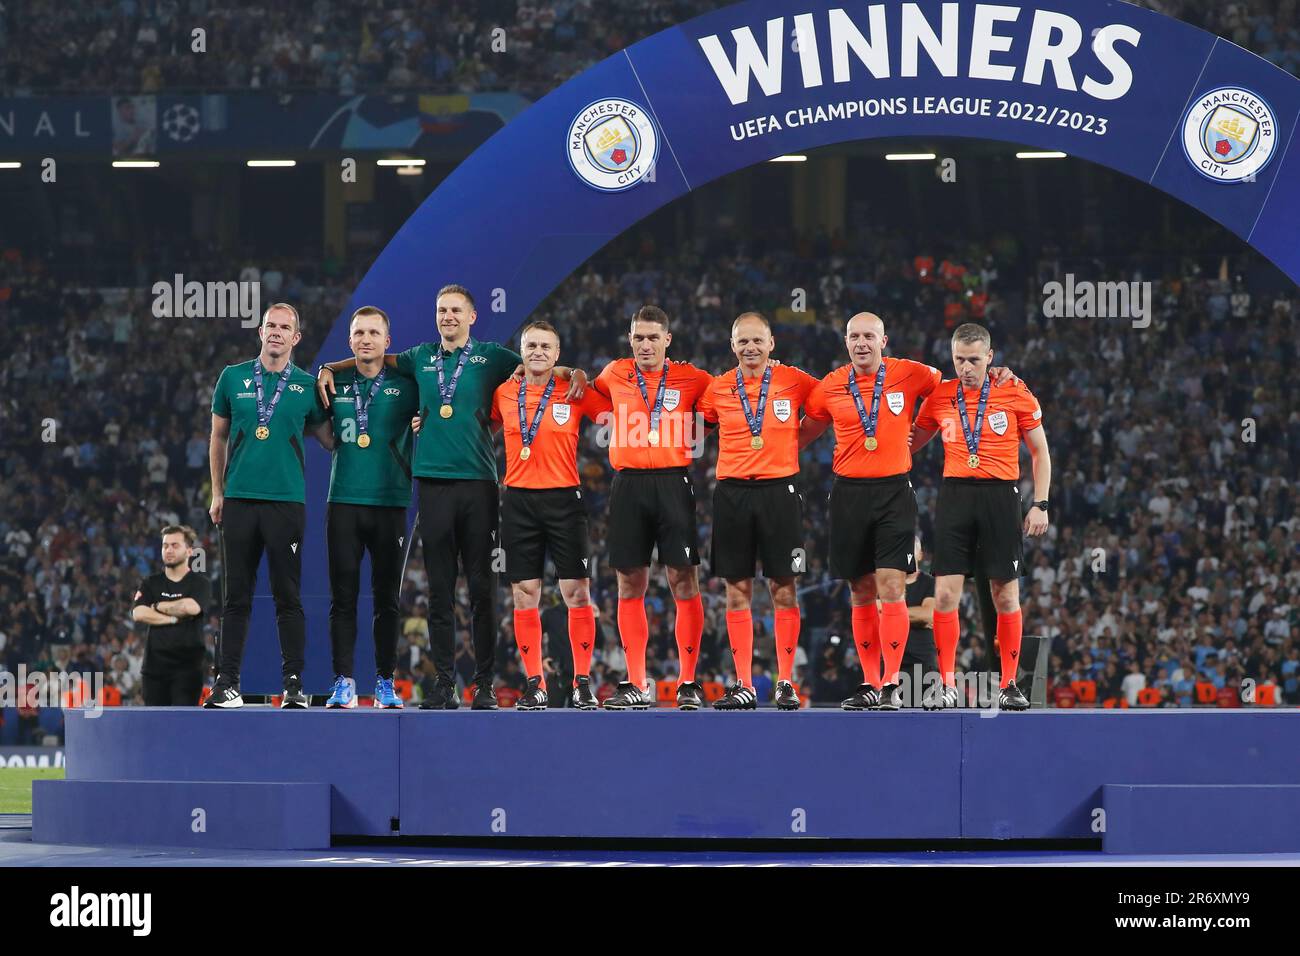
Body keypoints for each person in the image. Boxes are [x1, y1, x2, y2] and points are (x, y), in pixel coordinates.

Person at [317, 284, 586, 709]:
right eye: (442, 310)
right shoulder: (418, 358)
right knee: (440, 590)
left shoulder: (495, 356)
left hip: (479, 483)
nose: (448, 317)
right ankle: (444, 683)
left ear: (472, 317)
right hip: (432, 484)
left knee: (483, 589)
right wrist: (332, 365)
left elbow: (540, 363)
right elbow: (373, 359)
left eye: (456, 311)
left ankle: (483, 685)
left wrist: (576, 373)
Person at [800, 312, 1014, 710]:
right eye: (854, 336)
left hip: (894, 491)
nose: (861, 343)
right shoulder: (829, 386)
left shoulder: (914, 373)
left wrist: (995, 372)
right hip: (847, 493)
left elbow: (956, 384)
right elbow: (805, 428)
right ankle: (868, 683)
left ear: (883, 341)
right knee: (860, 590)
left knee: (893, 586)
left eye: (869, 336)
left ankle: (889, 685)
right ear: (845, 342)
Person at [912, 322, 1052, 711]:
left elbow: (1040, 451)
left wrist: (1040, 503)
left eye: (974, 359)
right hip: (955, 497)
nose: (967, 367)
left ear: (990, 357)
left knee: (1005, 594)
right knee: (943, 594)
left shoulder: (1015, 391)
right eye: (959, 360)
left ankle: (1009, 684)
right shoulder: (940, 396)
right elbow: (910, 444)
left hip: (1000, 497)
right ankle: (945, 683)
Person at [207, 303, 334, 709]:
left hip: (286, 503)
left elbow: (331, 438)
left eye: (285, 327)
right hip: (240, 500)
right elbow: (217, 438)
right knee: (235, 597)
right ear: (260, 332)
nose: (276, 332)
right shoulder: (232, 377)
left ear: (296, 337)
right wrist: (216, 492)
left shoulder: (306, 386)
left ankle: (294, 684)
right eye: (271, 326)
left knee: (287, 596)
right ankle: (226, 684)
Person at [589, 306, 714, 710]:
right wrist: (566, 373)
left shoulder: (693, 377)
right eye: (639, 337)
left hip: (673, 484)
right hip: (627, 485)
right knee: (630, 584)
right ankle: (636, 683)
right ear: (630, 339)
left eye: (653, 338)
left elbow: (730, 391)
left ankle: (689, 683)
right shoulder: (614, 373)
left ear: (667, 340)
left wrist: (769, 363)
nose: (645, 345)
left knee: (683, 581)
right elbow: (587, 391)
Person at [698, 312, 819, 711]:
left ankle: (785, 681)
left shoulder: (796, 380)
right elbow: (704, 422)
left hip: (779, 492)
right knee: (738, 590)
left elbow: (826, 407)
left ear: (772, 343)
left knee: (783, 586)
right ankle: (745, 683)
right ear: (732, 346)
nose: (750, 348)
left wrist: (793, 444)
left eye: (757, 340)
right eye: (742, 342)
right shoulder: (717, 389)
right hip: (731, 492)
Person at [488, 320, 611, 709]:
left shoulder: (574, 390)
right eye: (531, 345)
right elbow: (476, 427)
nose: (538, 352)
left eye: (546, 346)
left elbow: (613, 414)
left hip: (564, 501)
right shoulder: (504, 393)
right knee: (525, 595)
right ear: (521, 352)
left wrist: (577, 374)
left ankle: (581, 682)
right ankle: (535, 683)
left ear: (557, 354)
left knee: (577, 593)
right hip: (519, 501)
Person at [322, 306, 418, 709]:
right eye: (359, 333)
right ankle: (343, 681)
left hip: (390, 502)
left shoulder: (407, 383)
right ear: (350, 340)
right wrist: (328, 367)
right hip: (343, 501)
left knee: (387, 600)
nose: (366, 339)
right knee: (343, 597)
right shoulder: (331, 382)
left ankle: (384, 682)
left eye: (374, 333)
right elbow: (320, 431)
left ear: (387, 341)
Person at [131, 525, 211, 706]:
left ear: (189, 551)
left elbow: (191, 608)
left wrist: (158, 605)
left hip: (188, 668)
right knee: (154, 727)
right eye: (165, 546)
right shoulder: (151, 583)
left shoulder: (200, 583)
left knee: (181, 726)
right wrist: (173, 618)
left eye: (175, 545)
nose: (168, 550)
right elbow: (139, 612)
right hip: (154, 669)